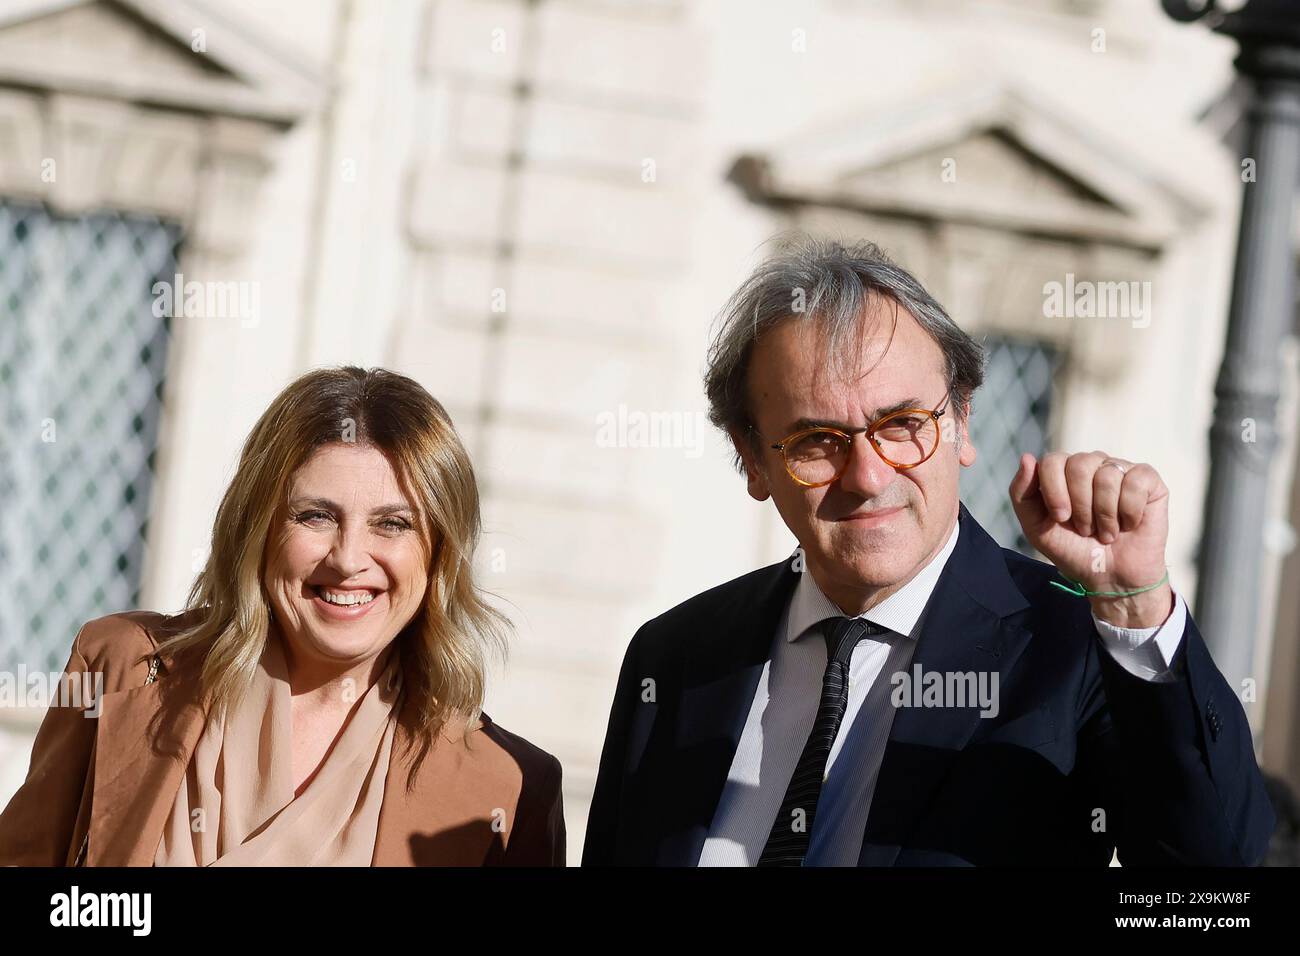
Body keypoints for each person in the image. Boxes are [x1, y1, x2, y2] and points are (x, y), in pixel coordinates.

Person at [583, 236, 1274, 866]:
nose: (869, 475)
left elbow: (1214, 877)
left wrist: (1136, 603)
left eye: (903, 425)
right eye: (817, 441)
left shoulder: (1074, 645)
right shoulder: (676, 657)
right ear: (753, 461)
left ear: (964, 422)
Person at [0, 366, 564, 866]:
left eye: (392, 524)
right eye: (315, 516)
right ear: (259, 527)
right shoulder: (121, 668)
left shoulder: (507, 789)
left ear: (440, 551)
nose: (347, 558)